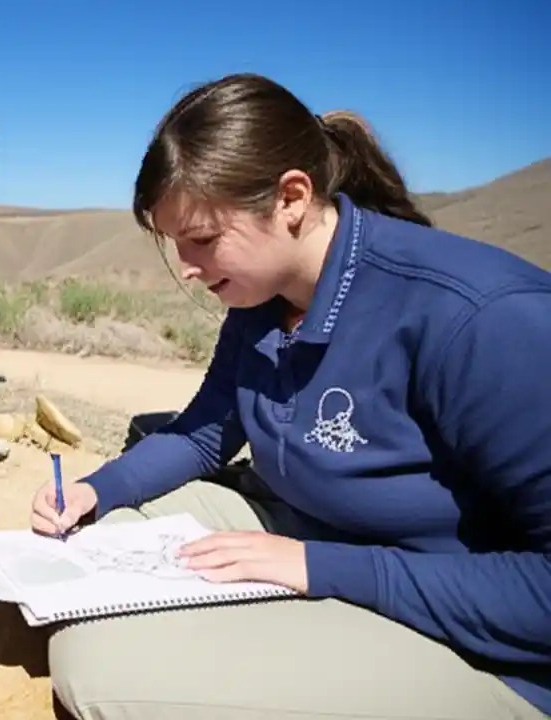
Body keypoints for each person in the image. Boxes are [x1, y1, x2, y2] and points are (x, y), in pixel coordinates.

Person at [30, 73, 550, 719]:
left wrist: (315, 566)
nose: (187, 268)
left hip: (468, 631)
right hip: (314, 532)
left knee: (107, 677)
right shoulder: (262, 300)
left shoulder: (484, 319)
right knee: (98, 552)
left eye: (202, 239)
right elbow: (204, 430)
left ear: (292, 198)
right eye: (175, 244)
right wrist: (95, 490)